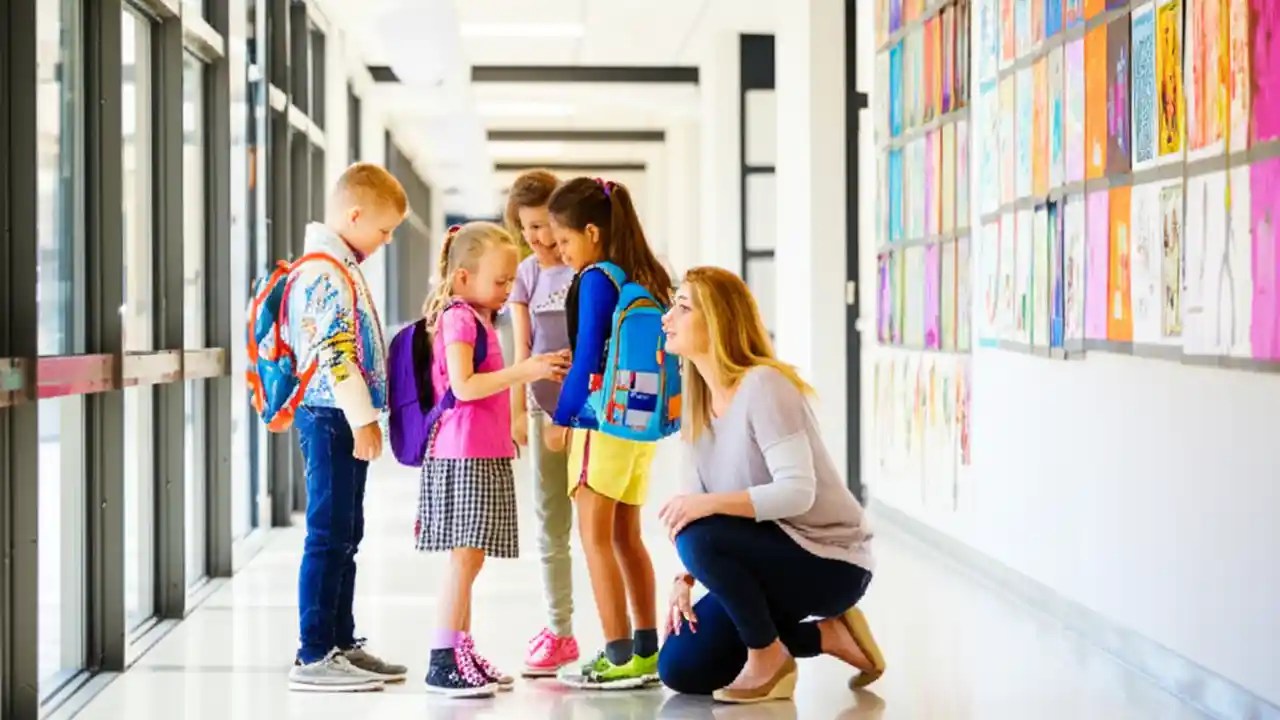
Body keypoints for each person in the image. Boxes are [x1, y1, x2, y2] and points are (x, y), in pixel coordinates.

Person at [655, 266, 886, 704]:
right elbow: (695, 506)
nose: (668, 318)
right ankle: (827, 635)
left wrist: (703, 515)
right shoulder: (697, 408)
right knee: (681, 666)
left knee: (697, 530)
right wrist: (684, 577)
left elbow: (798, 491)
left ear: (719, 320)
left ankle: (767, 656)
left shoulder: (764, 385)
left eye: (682, 308)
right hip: (771, 557)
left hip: (830, 562)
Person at [417, 222, 570, 698]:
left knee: (471, 558)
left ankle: (461, 648)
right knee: (464, 561)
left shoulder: (479, 318)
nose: (508, 290)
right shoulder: (459, 319)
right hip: (461, 454)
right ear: (463, 278)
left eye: (510, 280)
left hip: (480, 451)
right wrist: (525, 371)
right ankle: (443, 657)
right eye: (500, 281)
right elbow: (464, 387)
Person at [546, 177, 672, 688]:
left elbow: (585, 362)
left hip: (599, 422)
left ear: (592, 232)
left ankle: (617, 656)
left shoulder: (597, 277)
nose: (562, 252)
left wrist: (562, 419)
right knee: (627, 537)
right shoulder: (641, 274)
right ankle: (645, 651)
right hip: (636, 427)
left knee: (594, 539)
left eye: (565, 241)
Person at [287, 163, 409, 692]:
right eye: (383, 231)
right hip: (330, 417)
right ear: (355, 215)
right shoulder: (324, 270)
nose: (385, 241)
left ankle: (340, 641)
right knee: (327, 535)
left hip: (340, 417)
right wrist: (363, 419)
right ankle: (314, 653)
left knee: (346, 534)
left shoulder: (341, 263)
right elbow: (334, 353)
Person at [504, 170, 583, 677]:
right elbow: (521, 349)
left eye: (542, 225)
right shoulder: (526, 275)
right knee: (551, 523)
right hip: (541, 406)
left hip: (591, 411)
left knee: (600, 525)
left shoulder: (583, 270)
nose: (537, 238)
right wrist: (517, 409)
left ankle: (626, 636)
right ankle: (560, 630)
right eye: (526, 228)